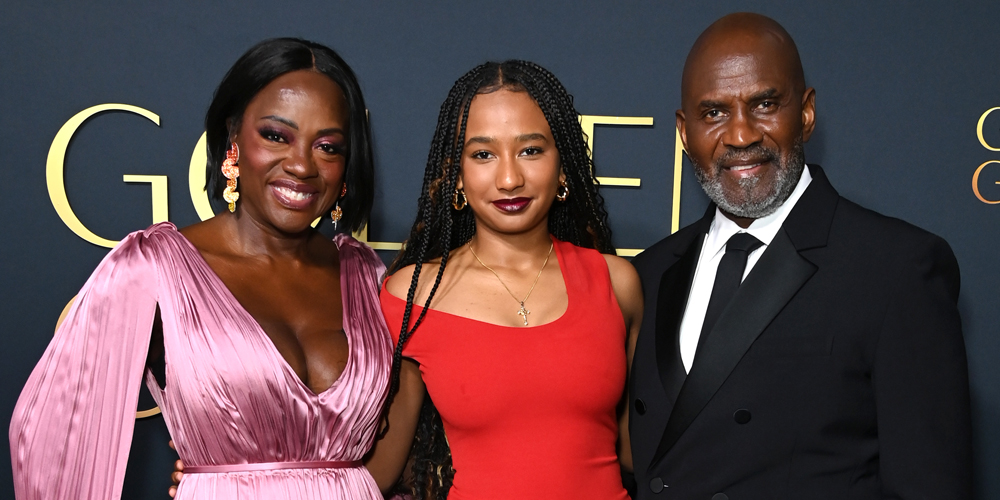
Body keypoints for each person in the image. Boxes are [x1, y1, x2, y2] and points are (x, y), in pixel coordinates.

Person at [10, 38, 397, 500]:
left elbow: (414, 446)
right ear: (233, 138)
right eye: (276, 135)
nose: (301, 165)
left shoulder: (365, 275)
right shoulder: (153, 268)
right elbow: (55, 442)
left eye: (328, 146)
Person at [627, 13, 972, 499]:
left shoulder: (895, 269)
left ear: (806, 114)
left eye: (764, 104)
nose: (741, 135)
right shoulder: (647, 274)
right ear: (684, 133)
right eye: (714, 113)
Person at [377, 60, 643, 499]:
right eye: (483, 154)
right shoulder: (411, 296)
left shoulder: (616, 284)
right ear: (457, 175)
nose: (509, 179)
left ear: (563, 167)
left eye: (530, 150)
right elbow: (381, 470)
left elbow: (641, 452)